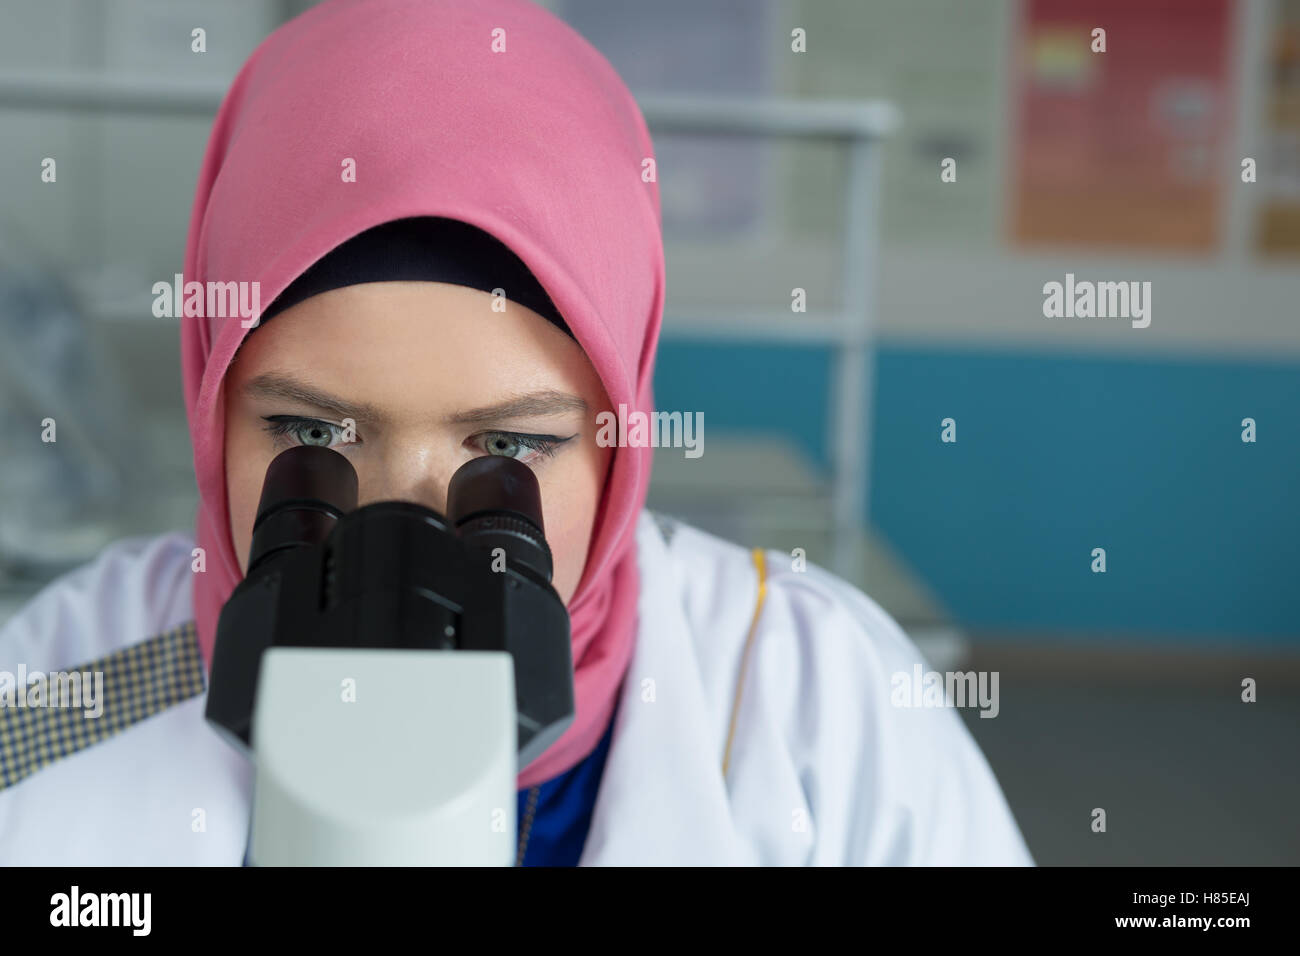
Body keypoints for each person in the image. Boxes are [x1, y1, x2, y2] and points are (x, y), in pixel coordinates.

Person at [0, 0, 1032, 866]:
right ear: (210, 394)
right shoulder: (68, 681)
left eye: (505, 454)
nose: (400, 532)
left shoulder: (808, 698)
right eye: (312, 431)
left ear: (616, 437)